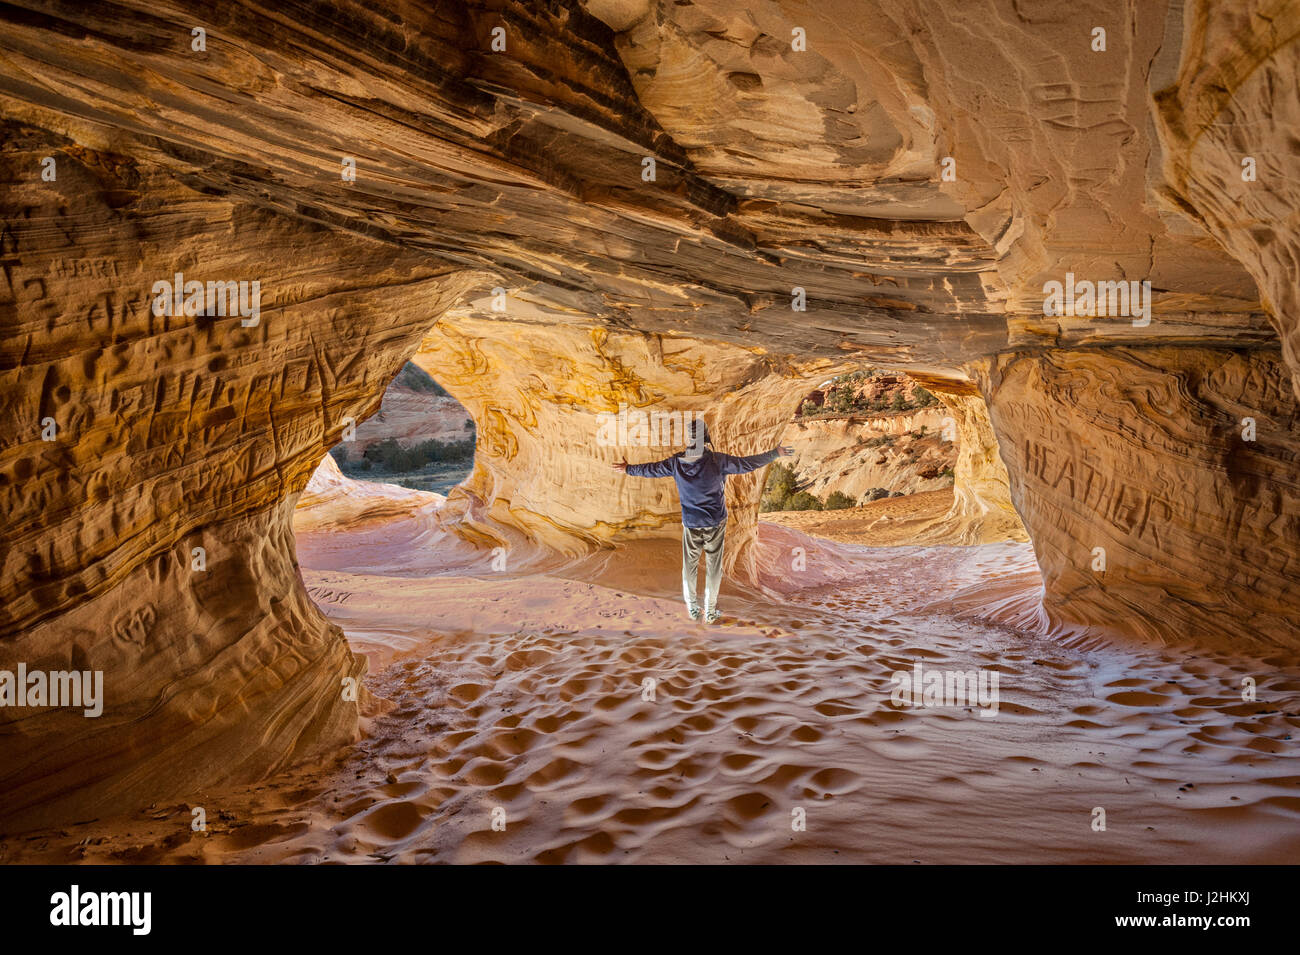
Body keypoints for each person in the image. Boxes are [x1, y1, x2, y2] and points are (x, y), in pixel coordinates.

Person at [613, 419, 793, 623]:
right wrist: (775, 453)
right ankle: (709, 610)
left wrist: (628, 469)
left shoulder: (675, 463)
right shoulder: (717, 460)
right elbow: (746, 464)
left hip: (691, 523)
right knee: (713, 567)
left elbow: (651, 470)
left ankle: (692, 609)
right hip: (715, 523)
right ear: (706, 438)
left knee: (689, 567)